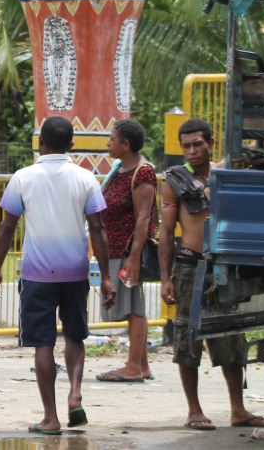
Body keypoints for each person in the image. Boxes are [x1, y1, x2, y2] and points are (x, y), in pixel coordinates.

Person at [0, 116, 114, 435]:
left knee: (42, 344)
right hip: (75, 272)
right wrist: (107, 276)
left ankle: (51, 418)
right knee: (75, 336)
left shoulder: (22, 177)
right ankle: (75, 394)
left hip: (37, 275)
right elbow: (98, 229)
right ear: (71, 145)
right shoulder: (86, 178)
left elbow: (7, 227)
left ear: (40, 143)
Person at [159, 118, 264, 430]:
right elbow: (166, 234)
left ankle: (238, 410)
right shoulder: (175, 180)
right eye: (186, 146)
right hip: (190, 265)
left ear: (210, 142)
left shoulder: (230, 172)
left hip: (226, 264)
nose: (192, 151)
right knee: (187, 338)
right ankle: (194, 411)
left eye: (197, 144)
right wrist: (166, 277)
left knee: (230, 335)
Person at [96, 118, 157, 383]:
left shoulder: (142, 172)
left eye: (112, 139)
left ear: (126, 144)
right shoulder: (118, 168)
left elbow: (144, 218)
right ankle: (142, 365)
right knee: (132, 304)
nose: (108, 143)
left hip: (127, 249)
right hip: (114, 248)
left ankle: (133, 366)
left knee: (134, 307)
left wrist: (133, 257)